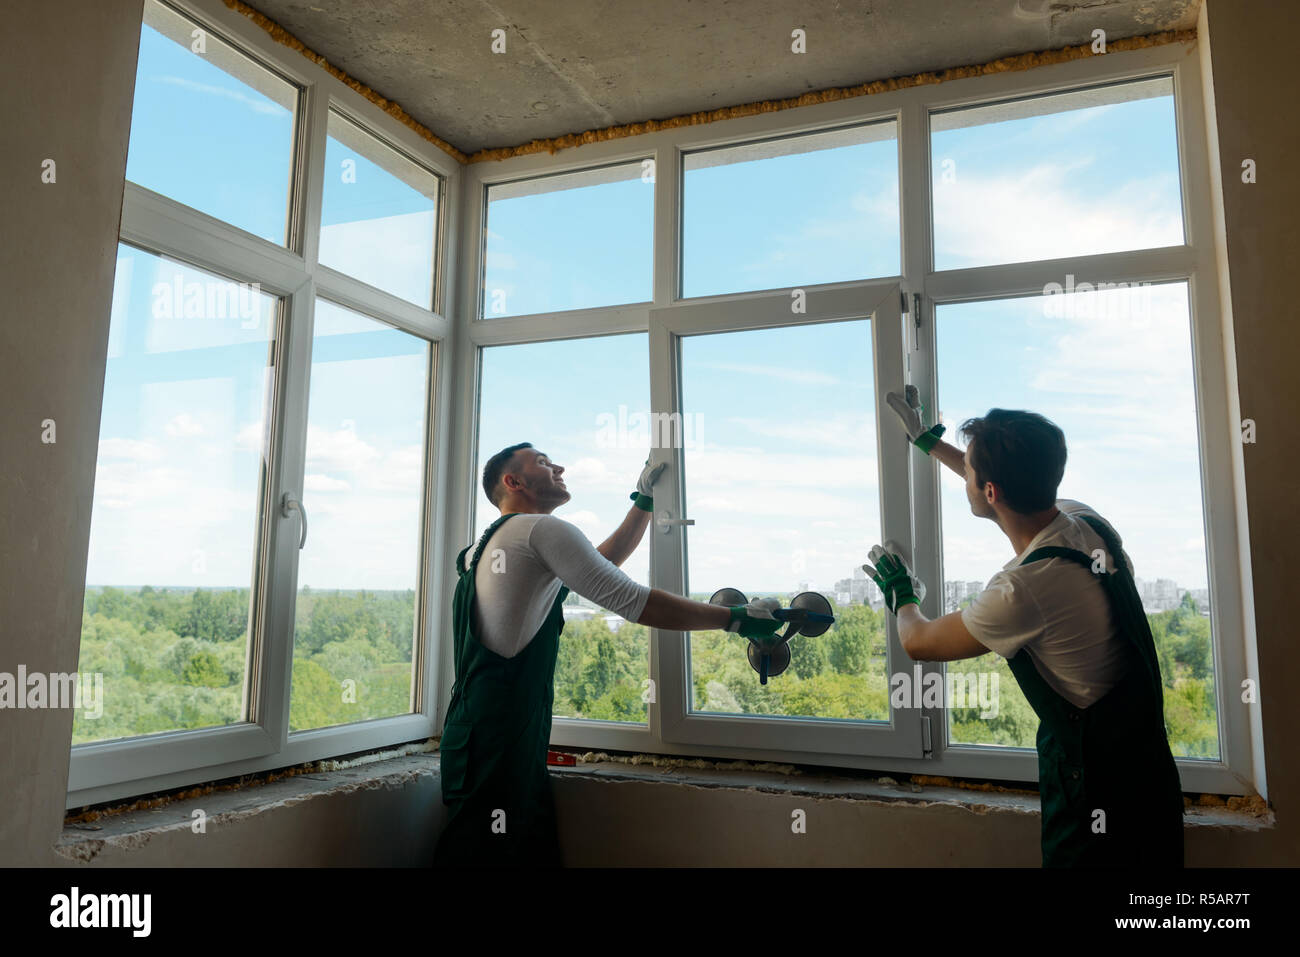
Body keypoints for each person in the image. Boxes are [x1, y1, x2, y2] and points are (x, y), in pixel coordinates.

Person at [864, 390, 1184, 867]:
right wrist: (930, 444)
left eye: (969, 470)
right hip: (1150, 783)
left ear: (989, 491)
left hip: (1095, 800)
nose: (967, 476)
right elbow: (1005, 484)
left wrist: (902, 594)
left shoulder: (1022, 591)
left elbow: (918, 642)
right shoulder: (1086, 522)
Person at [433, 442, 787, 868]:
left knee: (484, 851)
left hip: (474, 736)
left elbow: (596, 568)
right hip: (501, 742)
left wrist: (644, 503)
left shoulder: (483, 551)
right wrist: (735, 618)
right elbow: (630, 599)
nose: (559, 465)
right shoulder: (540, 531)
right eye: (543, 462)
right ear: (514, 482)